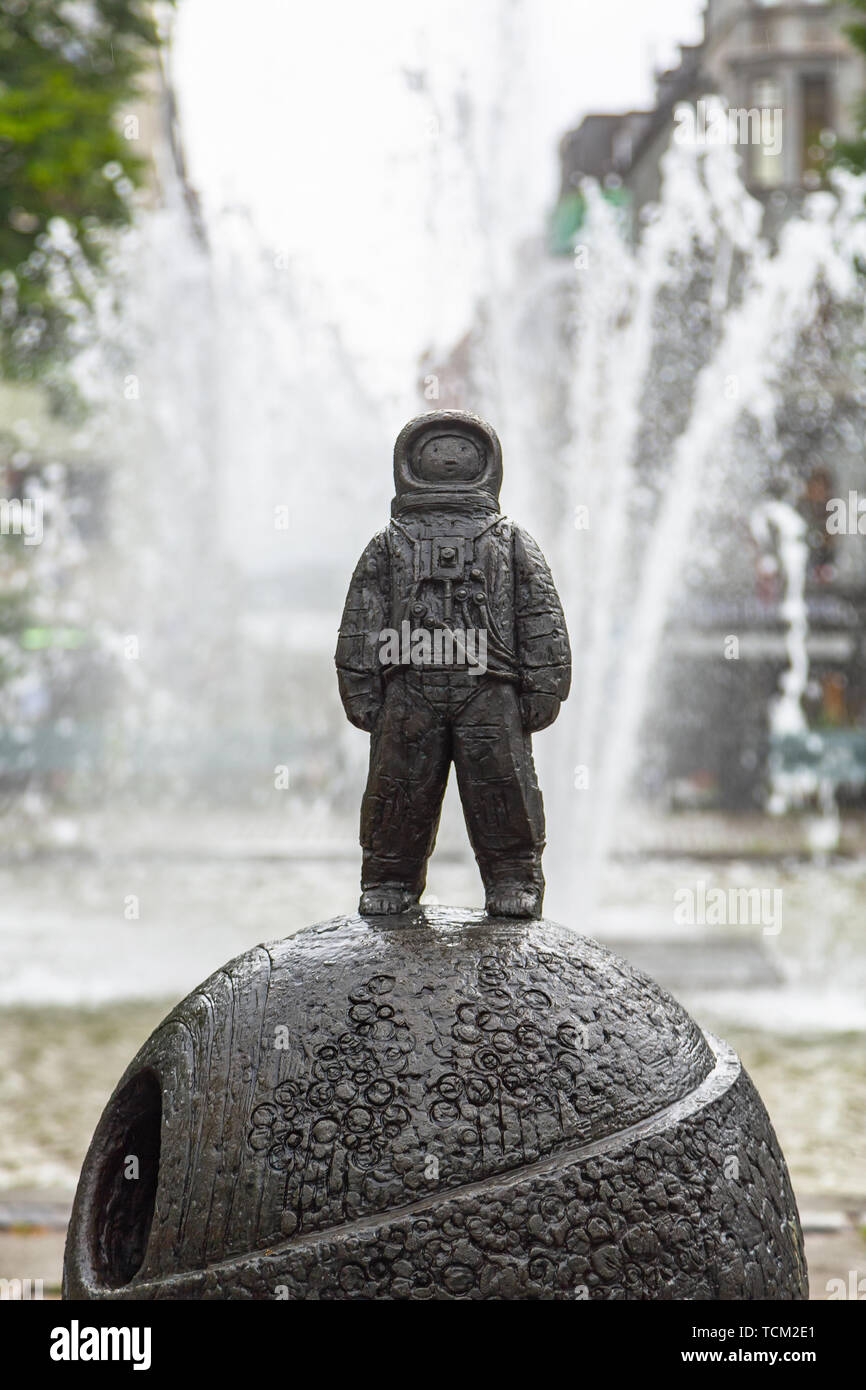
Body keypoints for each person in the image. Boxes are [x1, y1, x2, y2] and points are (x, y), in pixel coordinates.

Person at [335, 410, 571, 917]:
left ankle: (513, 876)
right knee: (398, 787)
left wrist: (545, 681)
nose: (447, 459)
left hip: (491, 685)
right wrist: (359, 683)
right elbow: (362, 615)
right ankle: (390, 878)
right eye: (436, 451)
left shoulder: (509, 540)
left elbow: (538, 612)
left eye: (459, 451)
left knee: (502, 783)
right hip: (407, 685)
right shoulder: (389, 543)